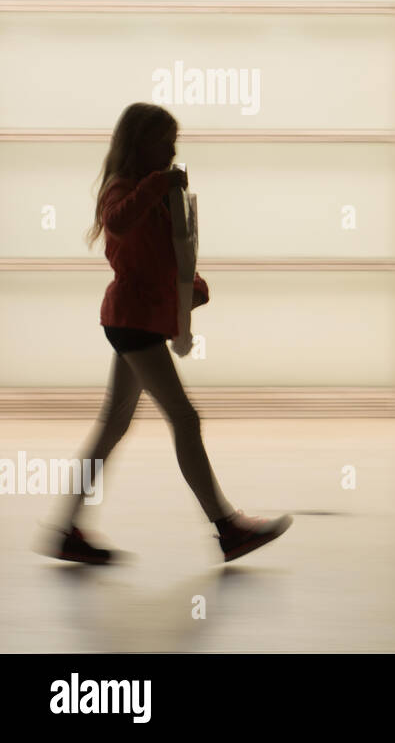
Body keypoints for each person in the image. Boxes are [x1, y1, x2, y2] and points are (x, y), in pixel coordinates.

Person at [45, 102, 292, 564]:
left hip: (136, 322)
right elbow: (118, 221)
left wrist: (190, 287)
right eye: (165, 140)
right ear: (141, 144)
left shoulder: (154, 195)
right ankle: (227, 527)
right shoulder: (123, 190)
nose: (173, 150)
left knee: (113, 427)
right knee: (184, 418)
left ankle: (66, 529)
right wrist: (160, 183)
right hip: (132, 323)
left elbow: (163, 258)